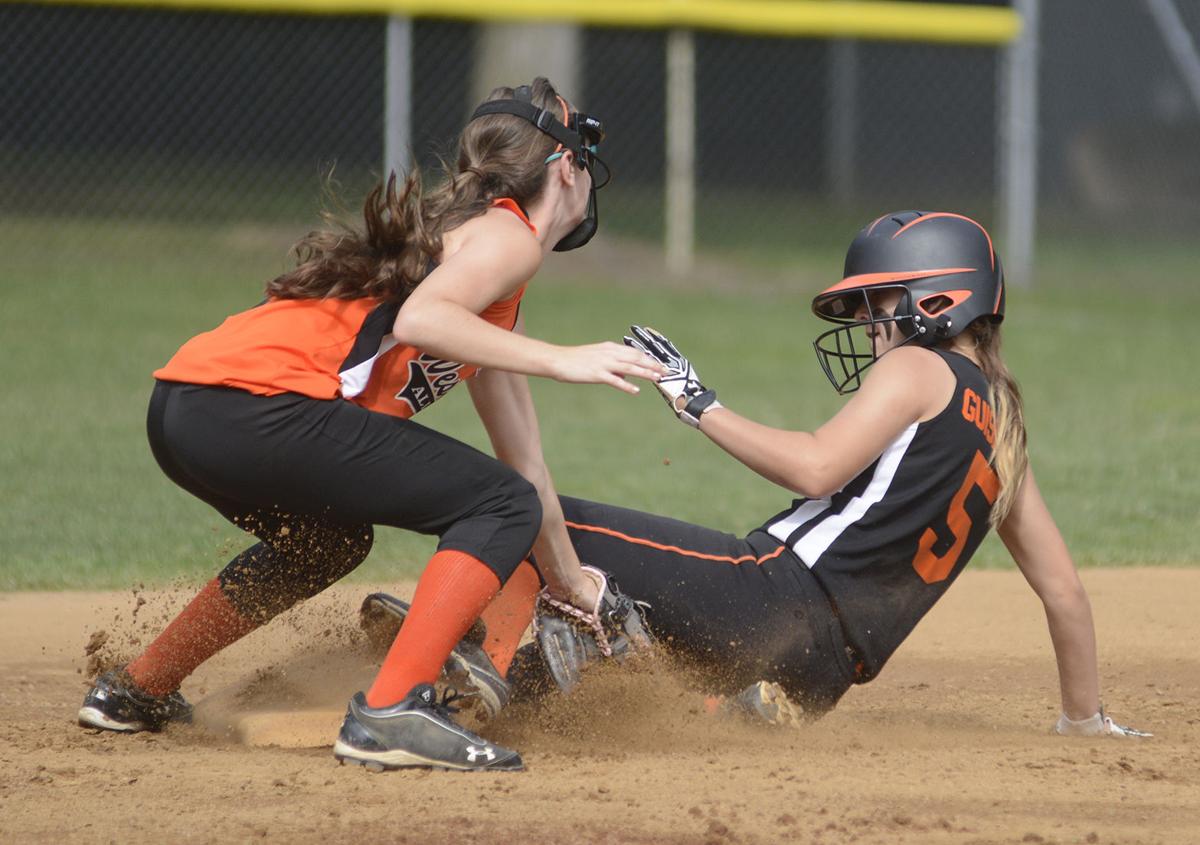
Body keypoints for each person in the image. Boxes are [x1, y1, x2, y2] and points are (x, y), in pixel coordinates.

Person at [368, 210, 1147, 738]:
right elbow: (1065, 594)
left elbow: (815, 467)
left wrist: (696, 401)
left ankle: (463, 658)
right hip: (818, 677)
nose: (872, 328)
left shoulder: (920, 368)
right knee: (581, 592)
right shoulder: (1003, 429)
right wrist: (1083, 721)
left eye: (880, 307)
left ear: (938, 302)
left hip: (768, 597)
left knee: (526, 507)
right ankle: (556, 660)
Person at [76, 77, 665, 772]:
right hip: (258, 406)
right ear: (566, 165)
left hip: (188, 409)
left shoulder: (484, 261)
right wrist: (564, 360)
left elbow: (528, 465)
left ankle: (138, 688)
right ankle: (393, 711)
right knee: (497, 501)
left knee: (330, 541)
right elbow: (423, 321)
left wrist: (574, 586)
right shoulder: (510, 235)